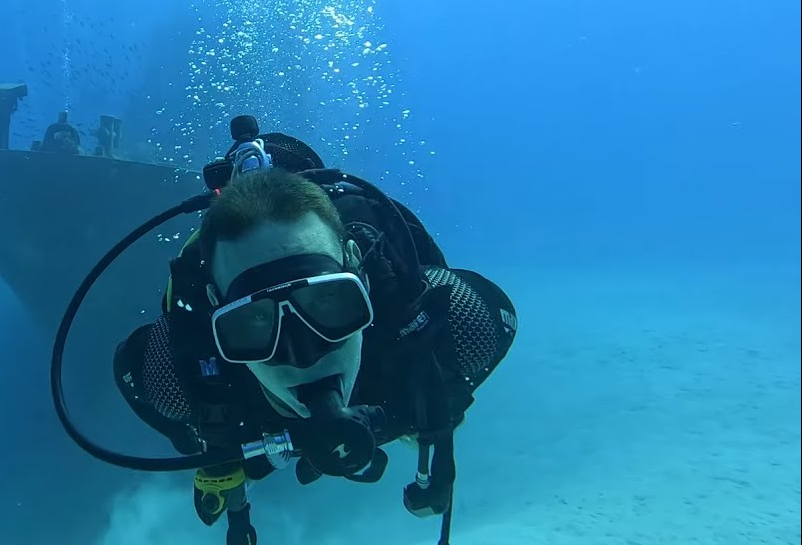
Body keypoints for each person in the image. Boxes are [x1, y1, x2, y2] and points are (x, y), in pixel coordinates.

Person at [111, 130, 518, 545]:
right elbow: (130, 370)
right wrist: (213, 450)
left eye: (328, 303)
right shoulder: (177, 377)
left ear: (360, 274)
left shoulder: (461, 328)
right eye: (253, 323)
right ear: (216, 315)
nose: (304, 356)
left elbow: (495, 318)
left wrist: (428, 406)